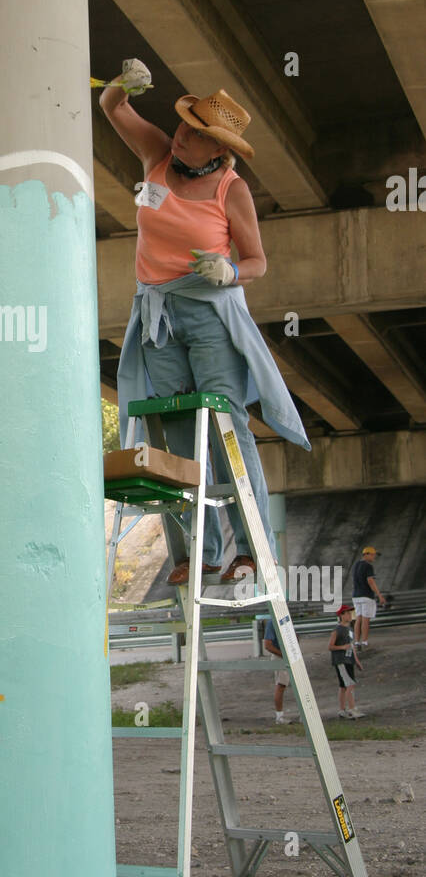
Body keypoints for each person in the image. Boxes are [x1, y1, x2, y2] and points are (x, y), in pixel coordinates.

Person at [100, 64, 310, 586]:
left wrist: (231, 270)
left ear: (219, 149)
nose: (183, 135)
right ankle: (196, 552)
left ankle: (252, 549)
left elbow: (257, 260)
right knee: (172, 434)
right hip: (157, 314)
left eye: (196, 133)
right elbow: (112, 108)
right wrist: (124, 84)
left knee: (224, 427)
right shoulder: (158, 155)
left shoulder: (231, 188)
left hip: (210, 310)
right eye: (185, 124)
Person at [329, 604, 364, 719]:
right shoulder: (337, 630)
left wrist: (357, 660)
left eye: (350, 613)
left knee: (343, 686)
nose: (350, 615)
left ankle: (342, 709)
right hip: (341, 660)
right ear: (341, 615)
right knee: (350, 684)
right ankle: (352, 709)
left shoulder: (349, 629)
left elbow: (352, 646)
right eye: (347, 613)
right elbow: (330, 646)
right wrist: (342, 647)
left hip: (349, 659)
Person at [351, 545, 385, 647]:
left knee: (358, 619)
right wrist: (379, 595)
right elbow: (370, 581)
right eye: (373, 555)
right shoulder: (368, 566)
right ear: (366, 554)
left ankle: (357, 641)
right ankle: (365, 642)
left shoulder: (356, 565)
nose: (374, 557)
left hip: (356, 596)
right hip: (366, 595)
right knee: (366, 619)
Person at [262, 615, 293, 724]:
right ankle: (279, 716)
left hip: (288, 655)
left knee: (288, 684)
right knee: (281, 685)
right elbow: (267, 645)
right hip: (280, 656)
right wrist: (283, 655)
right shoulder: (272, 622)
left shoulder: (285, 619)